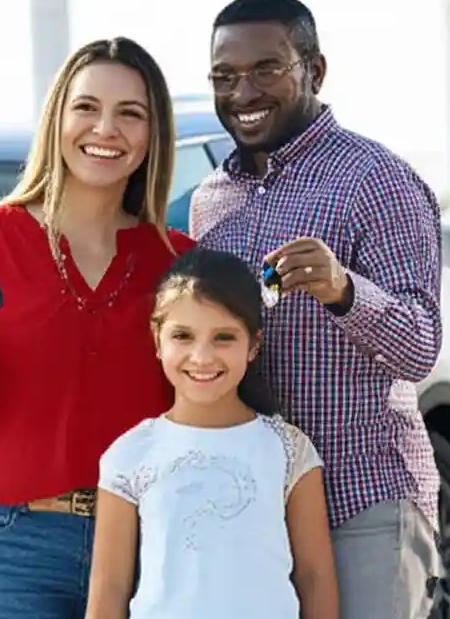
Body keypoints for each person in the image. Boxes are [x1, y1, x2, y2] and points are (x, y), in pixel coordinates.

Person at [0, 37, 193, 619]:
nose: (105, 129)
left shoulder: (177, 261)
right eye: (87, 107)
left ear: (153, 135)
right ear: (57, 118)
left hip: (147, 541)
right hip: (8, 547)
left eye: (130, 113)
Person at [189, 0, 443, 618]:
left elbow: (420, 346)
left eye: (266, 69)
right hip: (250, 512)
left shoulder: (376, 180)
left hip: (362, 502)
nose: (243, 92)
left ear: (315, 70)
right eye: (225, 76)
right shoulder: (210, 201)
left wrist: (344, 291)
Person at [86, 247, 339, 619]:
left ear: (253, 345)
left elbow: (315, 576)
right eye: (183, 336)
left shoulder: (288, 450)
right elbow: (110, 588)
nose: (202, 357)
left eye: (224, 337)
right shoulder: (129, 455)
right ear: (157, 340)